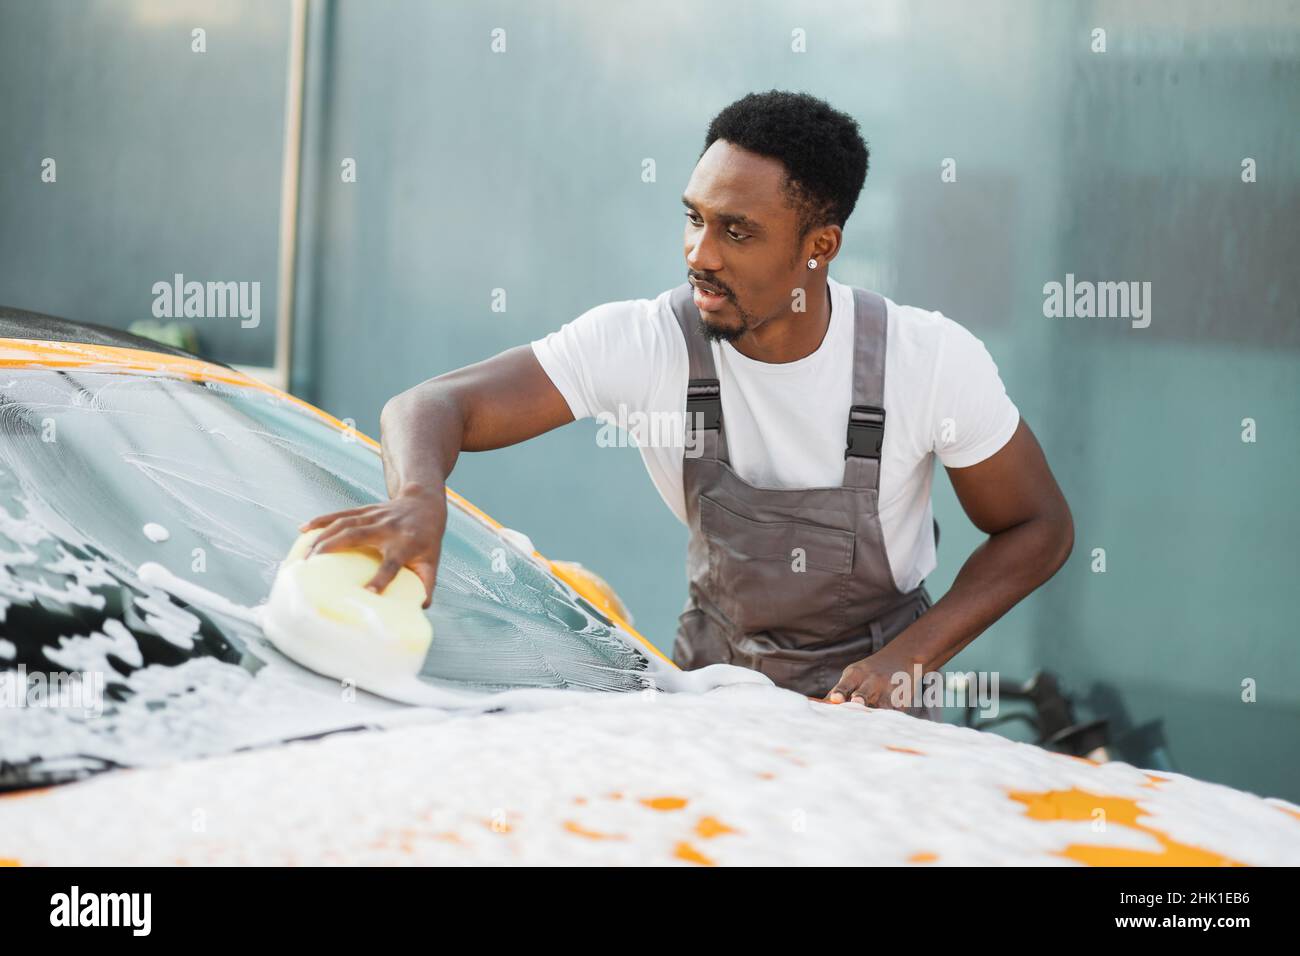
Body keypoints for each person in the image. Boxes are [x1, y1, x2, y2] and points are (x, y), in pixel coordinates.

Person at [301, 90, 1073, 716]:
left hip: (879, 715)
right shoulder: (646, 343)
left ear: (820, 246)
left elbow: (1038, 526)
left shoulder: (925, 361)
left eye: (737, 231)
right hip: (710, 694)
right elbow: (433, 405)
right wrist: (416, 498)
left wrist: (910, 659)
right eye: (694, 218)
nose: (701, 254)